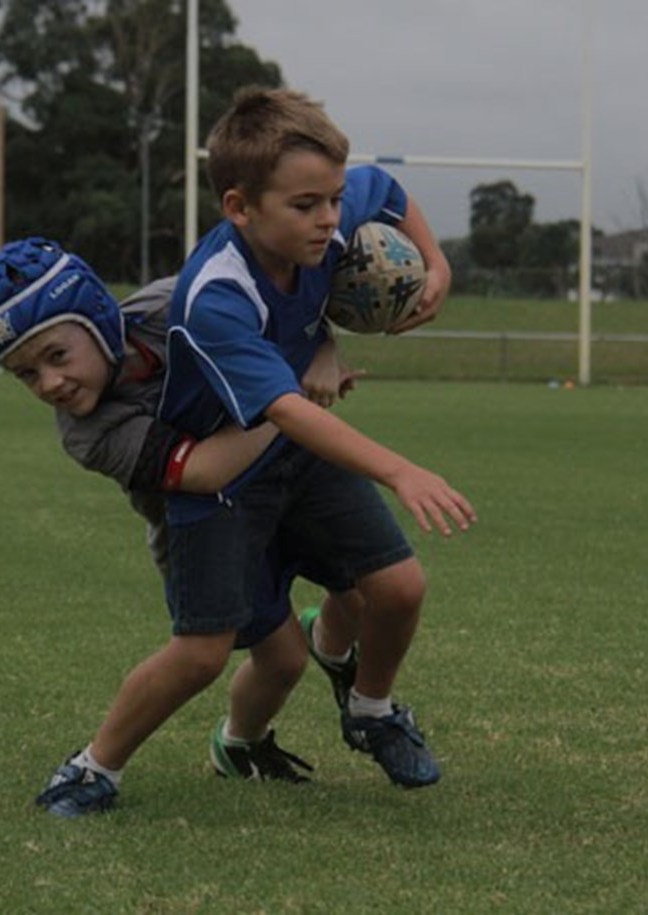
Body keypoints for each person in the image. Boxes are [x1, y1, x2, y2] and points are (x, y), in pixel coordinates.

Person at [0, 239, 366, 817]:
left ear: (99, 319)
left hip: (282, 485)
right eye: (26, 374)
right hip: (203, 525)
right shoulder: (87, 433)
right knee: (250, 659)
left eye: (57, 355)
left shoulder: (176, 303)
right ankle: (100, 765)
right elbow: (204, 471)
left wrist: (324, 347)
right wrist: (289, 395)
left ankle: (307, 674)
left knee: (362, 591)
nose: (50, 383)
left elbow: (291, 304)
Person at [156, 87, 473, 796]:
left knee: (398, 585)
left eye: (332, 199)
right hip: (222, 474)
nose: (330, 220)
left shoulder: (326, 209)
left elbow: (385, 190)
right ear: (240, 207)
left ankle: (370, 709)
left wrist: (437, 264)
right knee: (233, 652)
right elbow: (288, 411)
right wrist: (400, 470)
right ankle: (104, 762)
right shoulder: (215, 295)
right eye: (307, 206)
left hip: (297, 448)